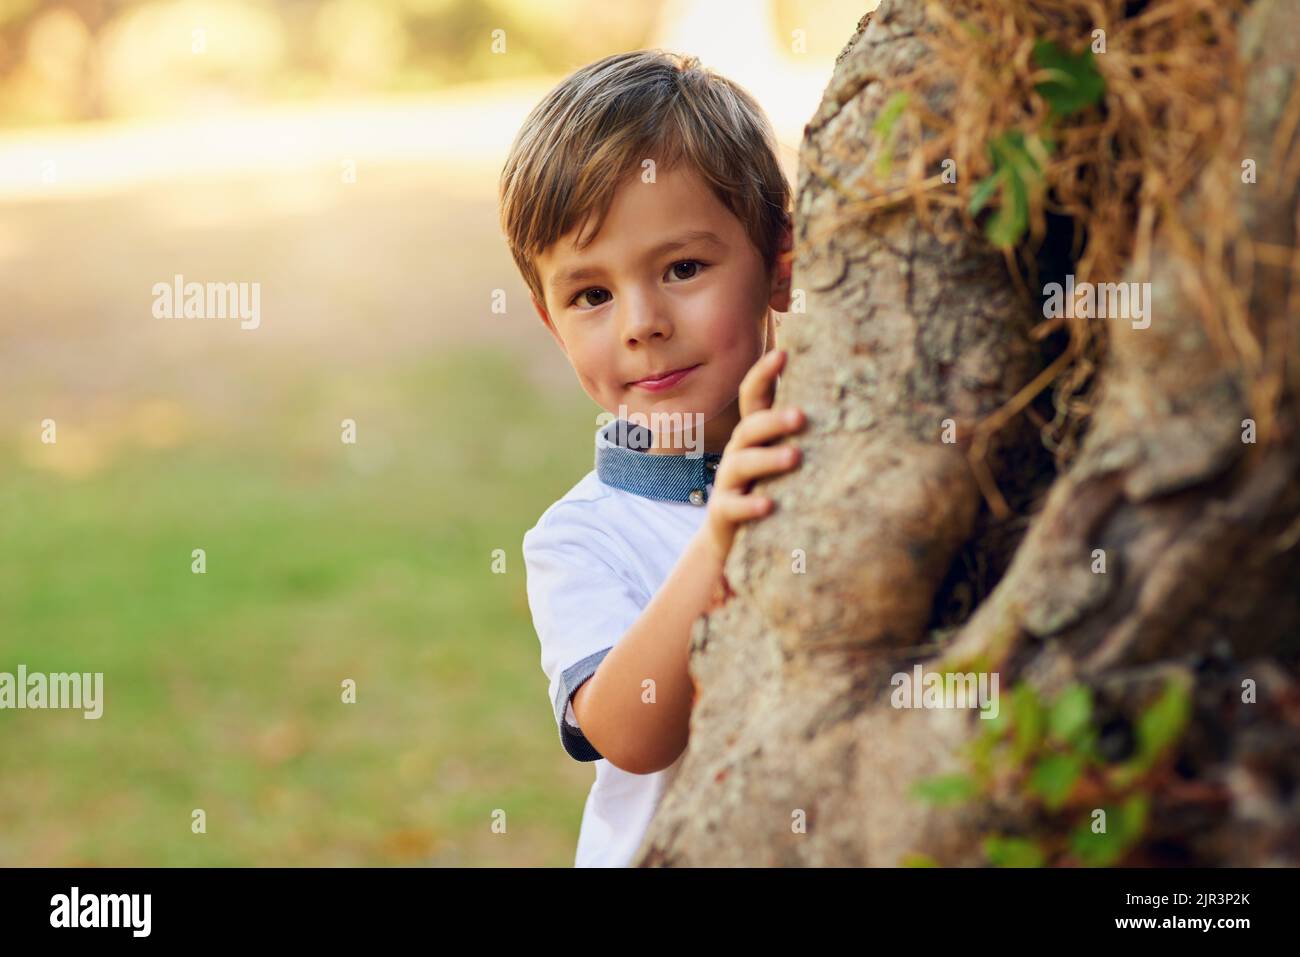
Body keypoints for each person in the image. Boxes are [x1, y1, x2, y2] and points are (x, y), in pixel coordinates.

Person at [500, 49, 806, 867]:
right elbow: (630, 733)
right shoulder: (578, 538)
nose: (641, 322)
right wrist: (719, 538)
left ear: (780, 263)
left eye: (683, 268)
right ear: (549, 320)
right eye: (591, 295)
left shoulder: (837, 455)